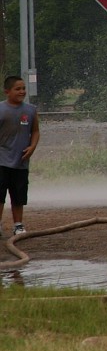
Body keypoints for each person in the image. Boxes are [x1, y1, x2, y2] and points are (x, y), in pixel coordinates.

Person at [0, 75, 40, 238]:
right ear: (7, 91)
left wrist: (32, 146)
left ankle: (18, 225)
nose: (22, 91)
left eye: (23, 88)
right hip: (1, 161)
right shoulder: (1, 109)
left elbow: (35, 130)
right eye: (18, 89)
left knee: (19, 195)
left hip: (21, 162)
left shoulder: (30, 110)